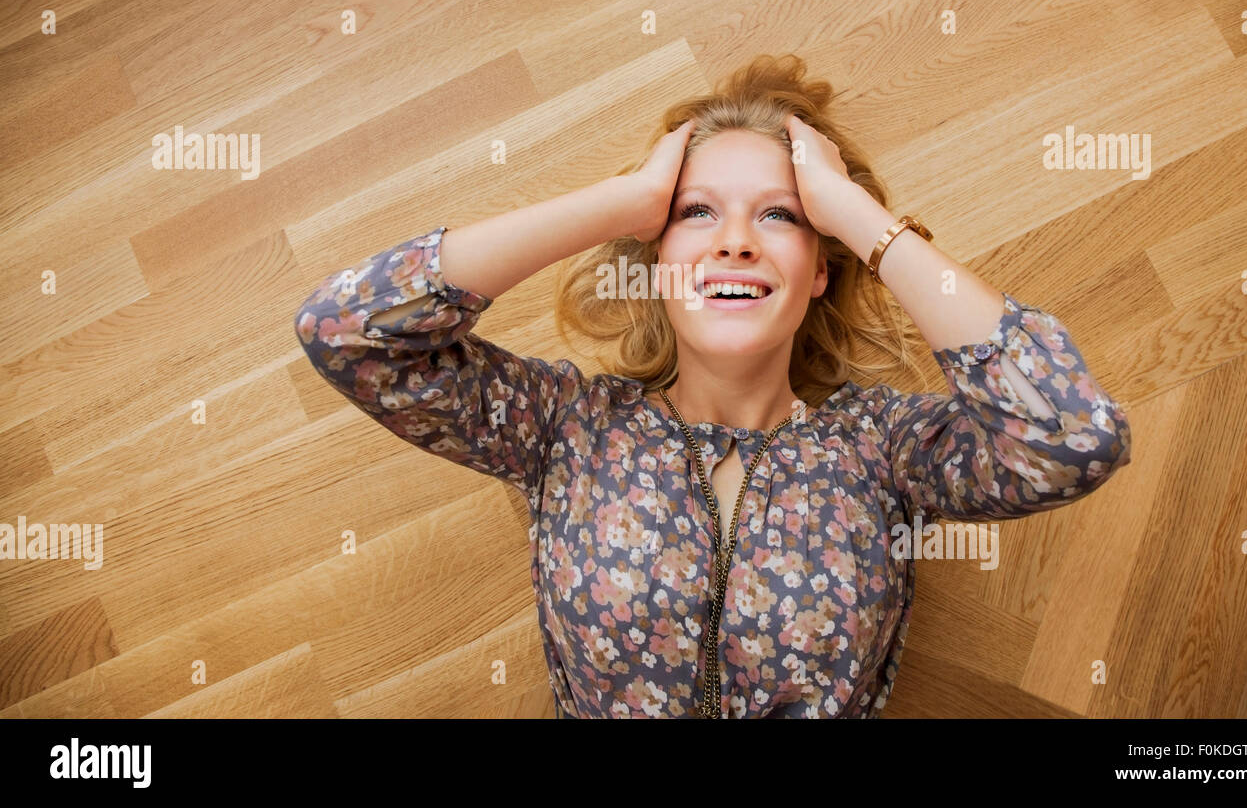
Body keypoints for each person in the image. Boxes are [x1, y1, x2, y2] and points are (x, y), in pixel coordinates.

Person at [293, 53, 1133, 718]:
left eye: (780, 215)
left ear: (819, 272)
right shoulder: (566, 428)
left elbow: (1073, 439)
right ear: (655, 260)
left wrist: (859, 217)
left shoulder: (882, 449)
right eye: (697, 213)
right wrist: (626, 200)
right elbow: (344, 328)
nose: (735, 241)